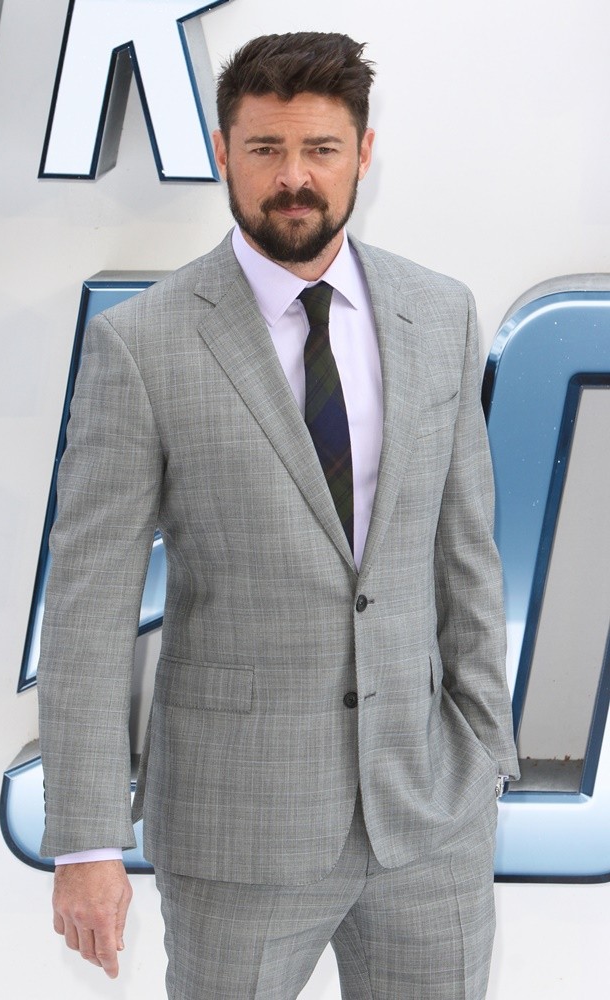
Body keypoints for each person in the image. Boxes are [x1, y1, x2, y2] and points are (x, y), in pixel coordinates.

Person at [38, 31, 519, 1000]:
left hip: (429, 820)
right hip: (238, 828)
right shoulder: (143, 346)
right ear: (222, 152)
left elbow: (465, 552)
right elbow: (89, 610)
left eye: (321, 150)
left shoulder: (442, 312)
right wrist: (86, 841)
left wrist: (483, 752)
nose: (293, 177)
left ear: (363, 155)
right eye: (265, 150)